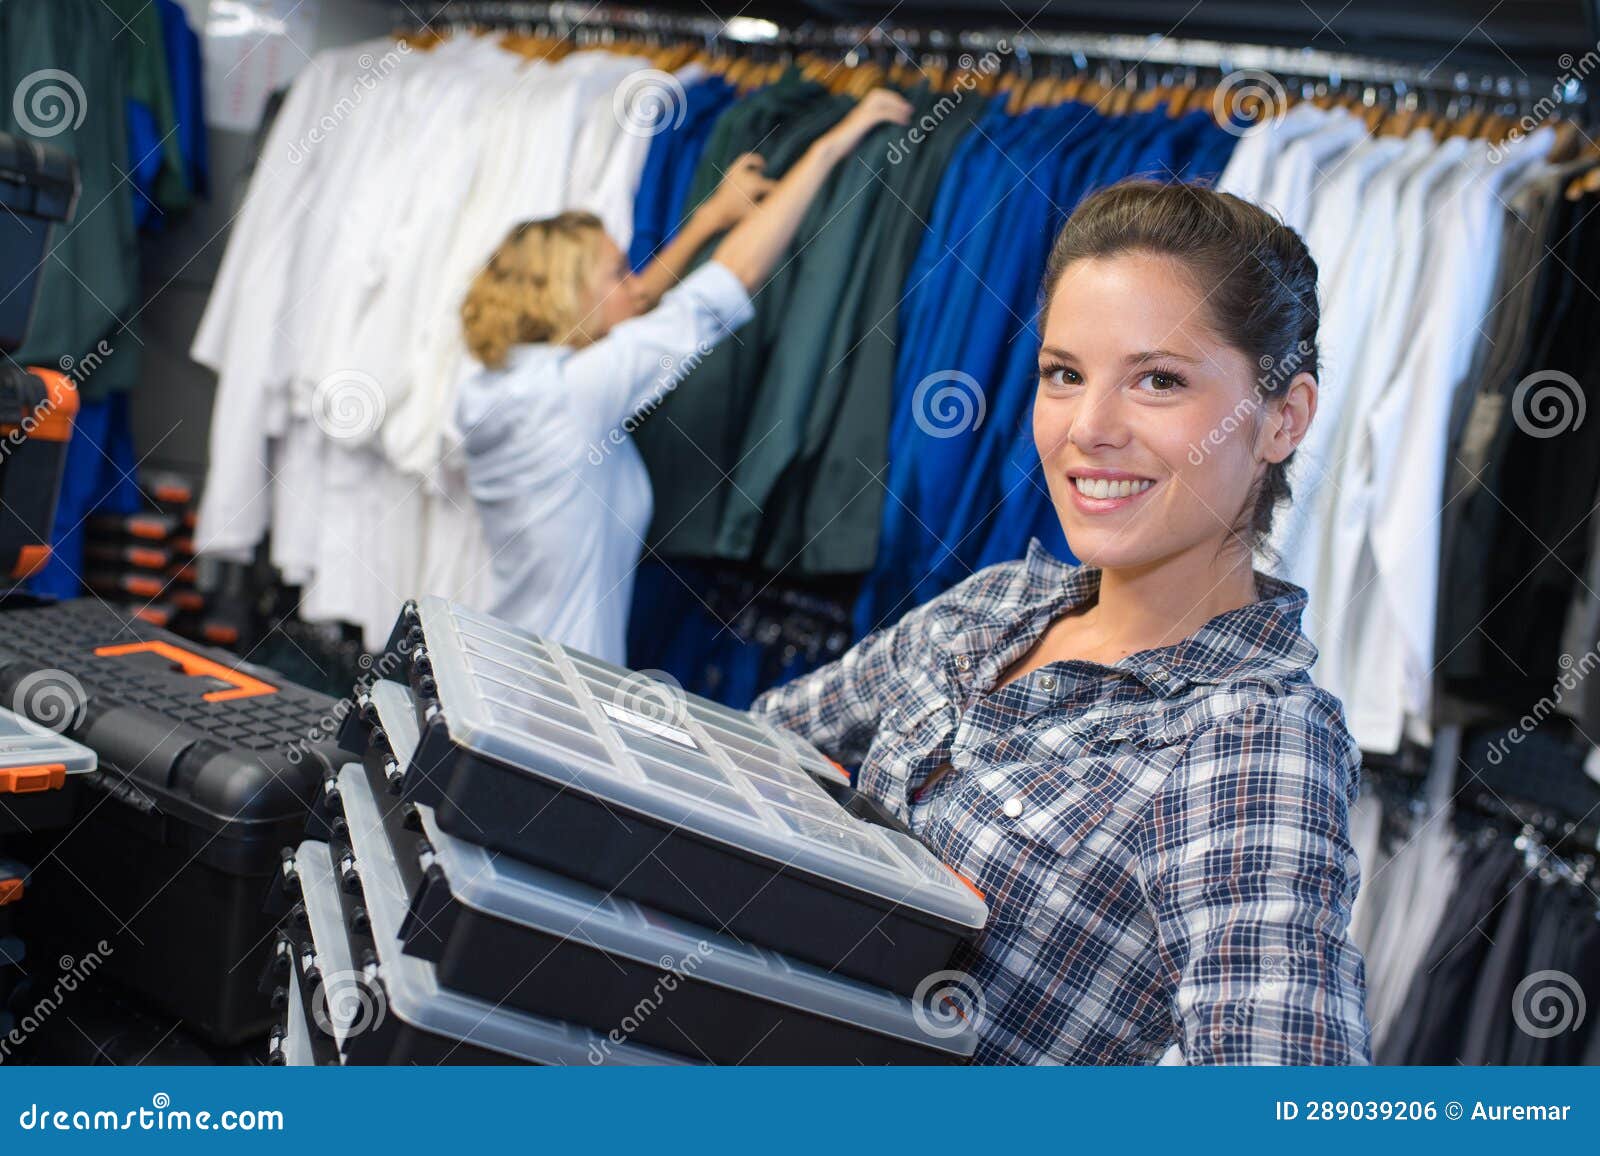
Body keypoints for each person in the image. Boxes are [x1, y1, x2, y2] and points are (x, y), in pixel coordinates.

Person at [751, 179, 1373, 1066]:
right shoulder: (994, 609)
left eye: (1159, 380)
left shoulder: (1251, 739)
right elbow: (765, 746)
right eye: (1063, 375)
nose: (1089, 428)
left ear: (1283, 418)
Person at [455, 89, 912, 664]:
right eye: (617, 272)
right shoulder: (576, 393)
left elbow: (640, 302)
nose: (636, 281)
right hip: (554, 689)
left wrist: (706, 223)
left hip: (502, 654)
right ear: (568, 296)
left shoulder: (494, 381)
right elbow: (733, 276)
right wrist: (828, 147)